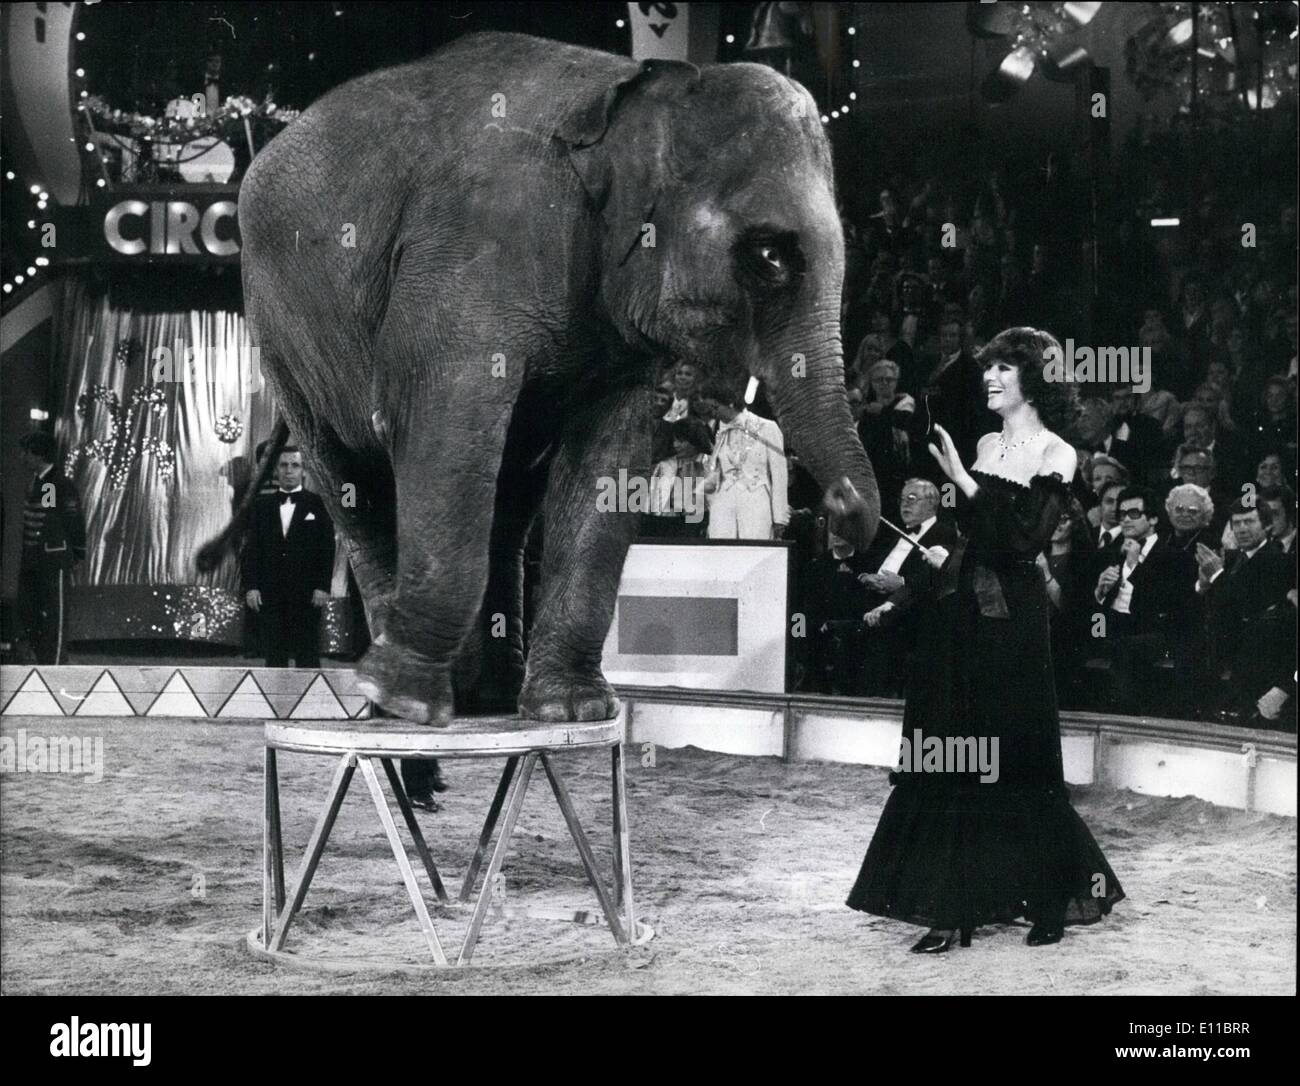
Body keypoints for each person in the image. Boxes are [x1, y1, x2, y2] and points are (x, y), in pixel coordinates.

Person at [845, 327, 1124, 951]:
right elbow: (967, 537)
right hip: (960, 613)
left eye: (1004, 367)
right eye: (988, 366)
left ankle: (1049, 899)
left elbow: (1024, 539)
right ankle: (955, 910)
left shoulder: (1057, 452)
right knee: (954, 751)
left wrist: (964, 484)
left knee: (1016, 760)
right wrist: (914, 576)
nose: (989, 376)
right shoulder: (984, 443)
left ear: (1035, 379)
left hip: (1013, 623)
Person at [241, 447, 335, 668]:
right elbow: (252, 549)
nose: (289, 470)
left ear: (304, 470)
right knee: (274, 656)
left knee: (308, 655)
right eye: (284, 465)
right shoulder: (261, 506)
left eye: (295, 465)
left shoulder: (318, 505)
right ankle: (275, 702)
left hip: (307, 593)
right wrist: (252, 586)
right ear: (276, 470)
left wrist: (322, 587)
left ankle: (311, 702)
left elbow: (327, 548)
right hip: (271, 593)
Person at [17, 432, 87, 664]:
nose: (22, 457)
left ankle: (55, 665)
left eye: (26, 452)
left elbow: (68, 520)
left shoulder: (53, 484)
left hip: (52, 558)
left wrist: (77, 552)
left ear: (38, 455)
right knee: (31, 612)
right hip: (34, 559)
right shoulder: (38, 482)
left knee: (54, 617)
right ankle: (42, 659)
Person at [700, 385, 788, 541]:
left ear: (731, 403)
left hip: (756, 500)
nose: (713, 413)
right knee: (721, 550)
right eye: (709, 409)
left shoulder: (767, 427)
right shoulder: (720, 431)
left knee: (754, 549)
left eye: (715, 407)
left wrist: (779, 517)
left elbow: (779, 474)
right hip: (723, 502)